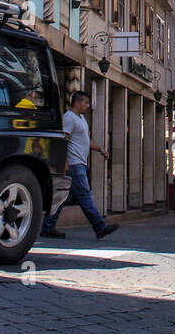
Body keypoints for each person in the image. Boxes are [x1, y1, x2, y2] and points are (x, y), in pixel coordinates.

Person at [41, 90, 118, 241]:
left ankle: (47, 227)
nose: (88, 106)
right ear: (77, 102)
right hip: (74, 165)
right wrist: (64, 163)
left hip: (81, 164)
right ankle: (100, 226)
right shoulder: (69, 118)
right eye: (86, 103)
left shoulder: (81, 118)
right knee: (84, 195)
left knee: (62, 198)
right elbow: (64, 141)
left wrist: (100, 149)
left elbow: (85, 141)